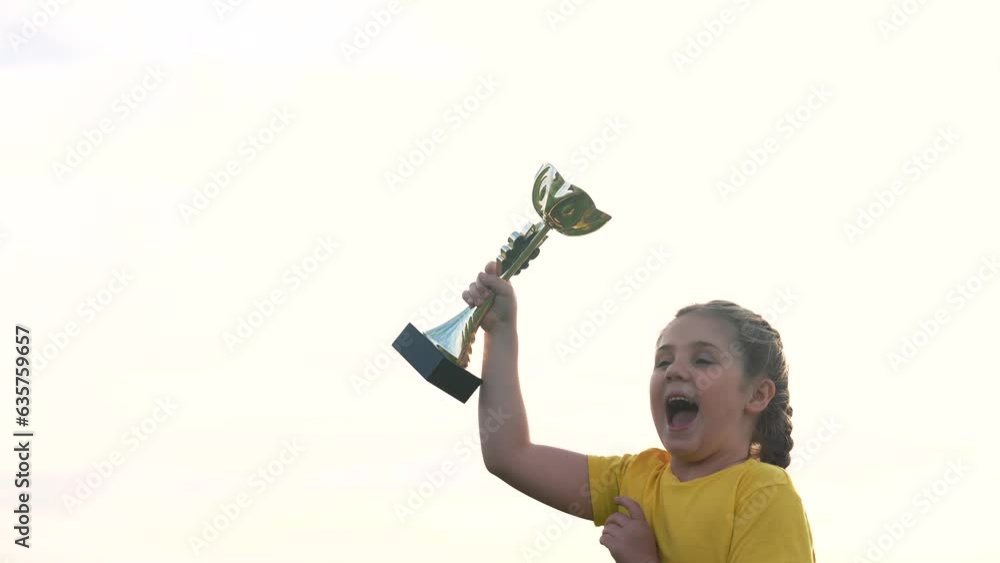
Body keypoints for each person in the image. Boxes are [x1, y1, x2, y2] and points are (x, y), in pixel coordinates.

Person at [462, 260, 815, 562]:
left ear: (756, 394)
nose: (674, 370)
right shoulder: (635, 478)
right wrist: (501, 330)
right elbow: (508, 454)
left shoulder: (765, 493)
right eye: (663, 361)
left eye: (703, 359)